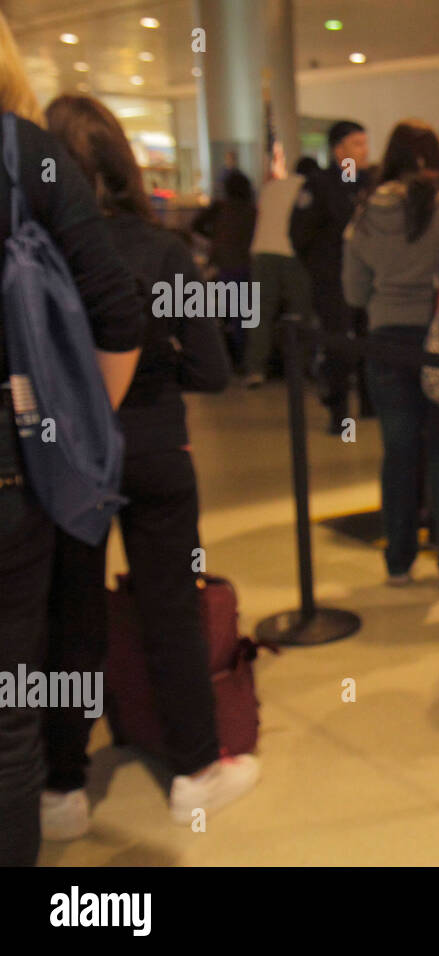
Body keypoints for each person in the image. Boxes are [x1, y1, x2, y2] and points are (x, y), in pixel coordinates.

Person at [39, 94, 259, 840]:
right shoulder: (160, 251)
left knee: (70, 615)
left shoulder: (37, 247)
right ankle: (196, 772)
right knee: (170, 606)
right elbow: (212, 371)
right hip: (158, 451)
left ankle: (62, 786)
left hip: (66, 454)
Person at [0, 13, 143, 865]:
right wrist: (77, 436)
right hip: (13, 475)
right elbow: (119, 317)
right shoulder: (30, 154)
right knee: (10, 716)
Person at [342, 120, 439, 587]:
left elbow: (353, 292)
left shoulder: (365, 212)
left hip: (385, 339)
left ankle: (398, 562)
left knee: (398, 451)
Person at [291, 120, 371, 433]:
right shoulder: (319, 184)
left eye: (365, 143)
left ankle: (369, 405)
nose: (364, 151)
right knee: (338, 343)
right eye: (357, 144)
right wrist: (321, 268)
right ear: (339, 150)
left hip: (365, 279)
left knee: (367, 342)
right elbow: (300, 234)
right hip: (332, 280)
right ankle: (339, 414)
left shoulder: (369, 183)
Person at [244, 155, 316, 387]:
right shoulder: (308, 189)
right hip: (292, 254)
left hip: (261, 252)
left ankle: (255, 369)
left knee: (261, 314)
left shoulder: (271, 187)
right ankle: (299, 367)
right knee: (299, 312)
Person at [191, 168, 257, 366]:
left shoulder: (220, 207)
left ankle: (234, 355)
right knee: (245, 313)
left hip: (225, 264)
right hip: (247, 263)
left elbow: (197, 224)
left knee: (232, 311)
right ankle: (245, 355)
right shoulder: (252, 210)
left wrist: (215, 240)